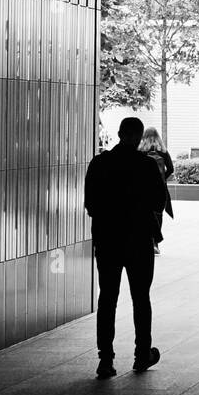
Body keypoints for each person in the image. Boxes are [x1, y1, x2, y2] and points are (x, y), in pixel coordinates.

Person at [83, 117, 168, 379]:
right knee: (141, 298)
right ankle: (142, 354)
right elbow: (158, 201)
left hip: (108, 239)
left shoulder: (100, 163)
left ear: (119, 133)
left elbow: (91, 205)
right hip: (139, 239)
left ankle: (105, 359)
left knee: (107, 297)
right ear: (140, 137)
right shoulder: (147, 165)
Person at [140, 126, 174, 253]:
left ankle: (145, 241)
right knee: (158, 213)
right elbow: (171, 169)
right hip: (159, 188)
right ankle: (155, 244)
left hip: (144, 188)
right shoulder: (163, 151)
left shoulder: (141, 150)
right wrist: (161, 179)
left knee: (144, 213)